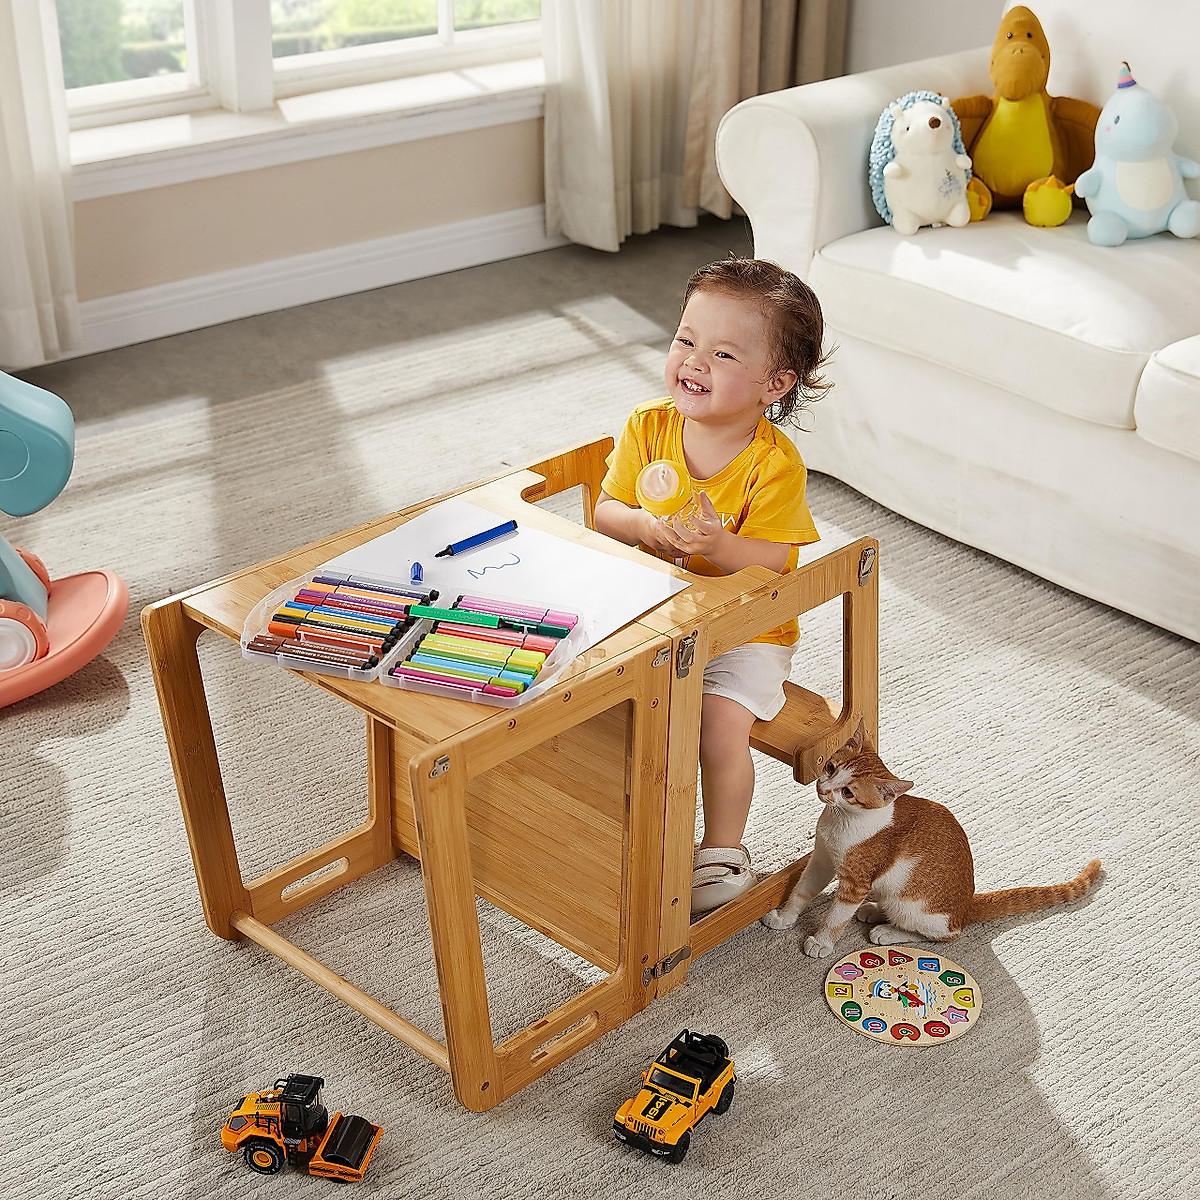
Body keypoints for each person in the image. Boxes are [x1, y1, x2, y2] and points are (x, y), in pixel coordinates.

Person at [594, 257, 830, 914]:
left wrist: (718, 544)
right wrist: (647, 526)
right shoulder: (650, 424)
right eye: (686, 340)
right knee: (598, 700)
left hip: (746, 630)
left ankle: (721, 852)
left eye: (723, 353)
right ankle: (609, 829)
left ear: (774, 383)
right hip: (661, 611)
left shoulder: (772, 463)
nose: (694, 362)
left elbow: (777, 562)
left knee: (716, 726)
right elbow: (605, 513)